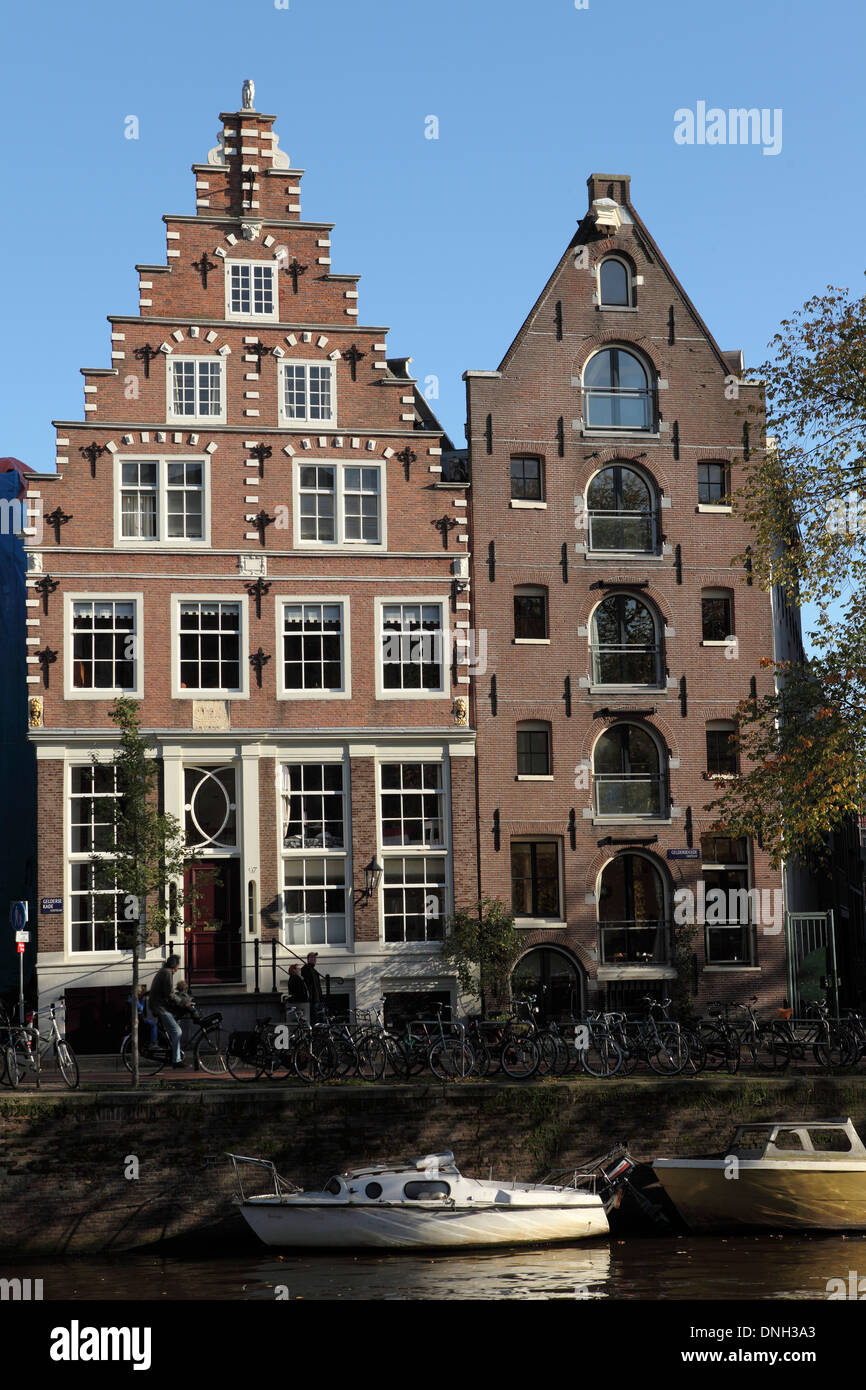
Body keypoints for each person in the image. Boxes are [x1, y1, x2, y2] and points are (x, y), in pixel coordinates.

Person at [148, 954, 186, 1067]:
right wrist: (183, 1003)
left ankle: (174, 1051)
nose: (178, 968)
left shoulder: (164, 971)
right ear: (175, 966)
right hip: (159, 1007)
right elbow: (169, 993)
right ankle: (176, 1060)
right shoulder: (167, 973)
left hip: (158, 1005)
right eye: (178, 966)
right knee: (177, 1032)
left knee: (175, 1024)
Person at [131, 985, 157, 1049]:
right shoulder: (134, 998)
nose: (140, 993)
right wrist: (142, 1001)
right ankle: (153, 1043)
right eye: (139, 991)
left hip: (138, 1017)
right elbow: (141, 1008)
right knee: (153, 1025)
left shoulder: (131, 997)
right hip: (139, 1018)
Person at [301, 951, 325, 1023]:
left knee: (318, 1019)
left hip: (316, 999)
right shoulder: (305, 969)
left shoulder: (314, 971)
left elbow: (318, 986)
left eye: (315, 958)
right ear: (308, 959)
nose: (314, 959)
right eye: (312, 957)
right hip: (311, 1000)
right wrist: (310, 997)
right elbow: (306, 985)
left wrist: (321, 998)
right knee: (313, 1019)